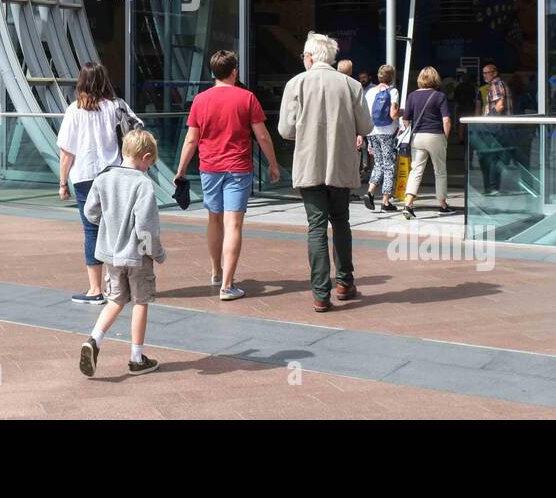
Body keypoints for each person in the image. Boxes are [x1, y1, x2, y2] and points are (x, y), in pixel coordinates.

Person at [173, 49, 280, 301]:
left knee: (213, 220)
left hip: (209, 167)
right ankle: (228, 285)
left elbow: (191, 140)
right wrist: (273, 164)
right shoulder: (247, 98)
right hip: (238, 168)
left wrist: (180, 169)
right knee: (234, 224)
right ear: (234, 71)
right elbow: (262, 135)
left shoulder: (200, 100)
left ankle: (216, 271)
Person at [278, 32, 373, 312]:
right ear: (330, 58)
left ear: (309, 57)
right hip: (340, 164)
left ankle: (321, 293)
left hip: (310, 163)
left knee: (316, 227)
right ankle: (344, 282)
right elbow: (365, 126)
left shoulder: (296, 84)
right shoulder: (351, 85)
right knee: (341, 221)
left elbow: (286, 129)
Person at [79, 129, 166, 377]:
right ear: (145, 157)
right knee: (141, 301)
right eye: (150, 163)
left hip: (111, 254)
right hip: (138, 255)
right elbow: (145, 228)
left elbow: (90, 213)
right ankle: (137, 358)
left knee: (116, 299)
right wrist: (158, 253)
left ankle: (94, 339)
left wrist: (109, 223)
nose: (149, 168)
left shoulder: (103, 178)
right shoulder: (142, 184)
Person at [57, 61, 128, 306]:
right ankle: (116, 285)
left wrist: (62, 182)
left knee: (91, 231)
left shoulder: (74, 111)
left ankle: (95, 289)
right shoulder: (115, 107)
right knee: (113, 228)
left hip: (86, 176)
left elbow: (67, 152)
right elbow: (134, 131)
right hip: (113, 174)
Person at [401, 66, 453, 218]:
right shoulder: (439, 96)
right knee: (440, 171)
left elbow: (405, 120)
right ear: (435, 79)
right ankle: (442, 205)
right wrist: (445, 137)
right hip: (435, 135)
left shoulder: (412, 96)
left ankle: (408, 204)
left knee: (416, 170)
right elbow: (447, 120)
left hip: (417, 136)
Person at [362, 64, 401, 212]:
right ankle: (385, 201)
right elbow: (393, 114)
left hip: (372, 132)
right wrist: (402, 113)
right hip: (387, 132)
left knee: (378, 163)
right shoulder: (393, 91)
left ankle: (370, 192)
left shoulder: (370, 92)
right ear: (391, 77)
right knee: (389, 165)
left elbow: (365, 114)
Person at [478, 62, 513, 194]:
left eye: (487, 72)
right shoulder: (500, 84)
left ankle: (492, 187)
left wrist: (488, 120)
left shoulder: (496, 84)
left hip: (497, 127)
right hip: (502, 127)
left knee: (490, 157)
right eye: (483, 73)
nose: (485, 75)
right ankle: (493, 187)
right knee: (494, 157)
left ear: (495, 73)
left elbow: (500, 105)